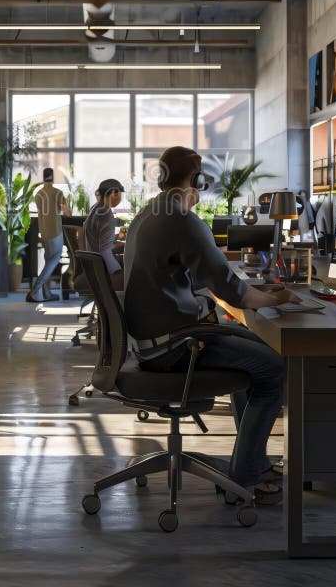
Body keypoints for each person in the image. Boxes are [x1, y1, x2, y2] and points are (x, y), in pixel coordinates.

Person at [124, 146, 301, 504]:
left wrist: (251, 292)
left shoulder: (148, 213)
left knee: (252, 347)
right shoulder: (181, 219)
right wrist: (278, 298)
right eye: (200, 182)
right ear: (194, 180)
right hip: (174, 347)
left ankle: (251, 462)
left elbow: (183, 279)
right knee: (276, 367)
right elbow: (235, 293)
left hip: (149, 341)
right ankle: (247, 473)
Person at [28, 167, 70, 303]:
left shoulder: (38, 194)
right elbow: (67, 212)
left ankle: (46, 293)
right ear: (52, 177)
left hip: (43, 231)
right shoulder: (57, 192)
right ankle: (36, 290)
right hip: (55, 230)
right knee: (53, 261)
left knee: (48, 261)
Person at [77, 178, 125, 292]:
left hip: (93, 264)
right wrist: (116, 270)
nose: (120, 198)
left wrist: (119, 244)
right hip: (105, 271)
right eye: (119, 194)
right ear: (113, 193)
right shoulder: (106, 214)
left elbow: (101, 242)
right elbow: (104, 250)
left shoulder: (95, 208)